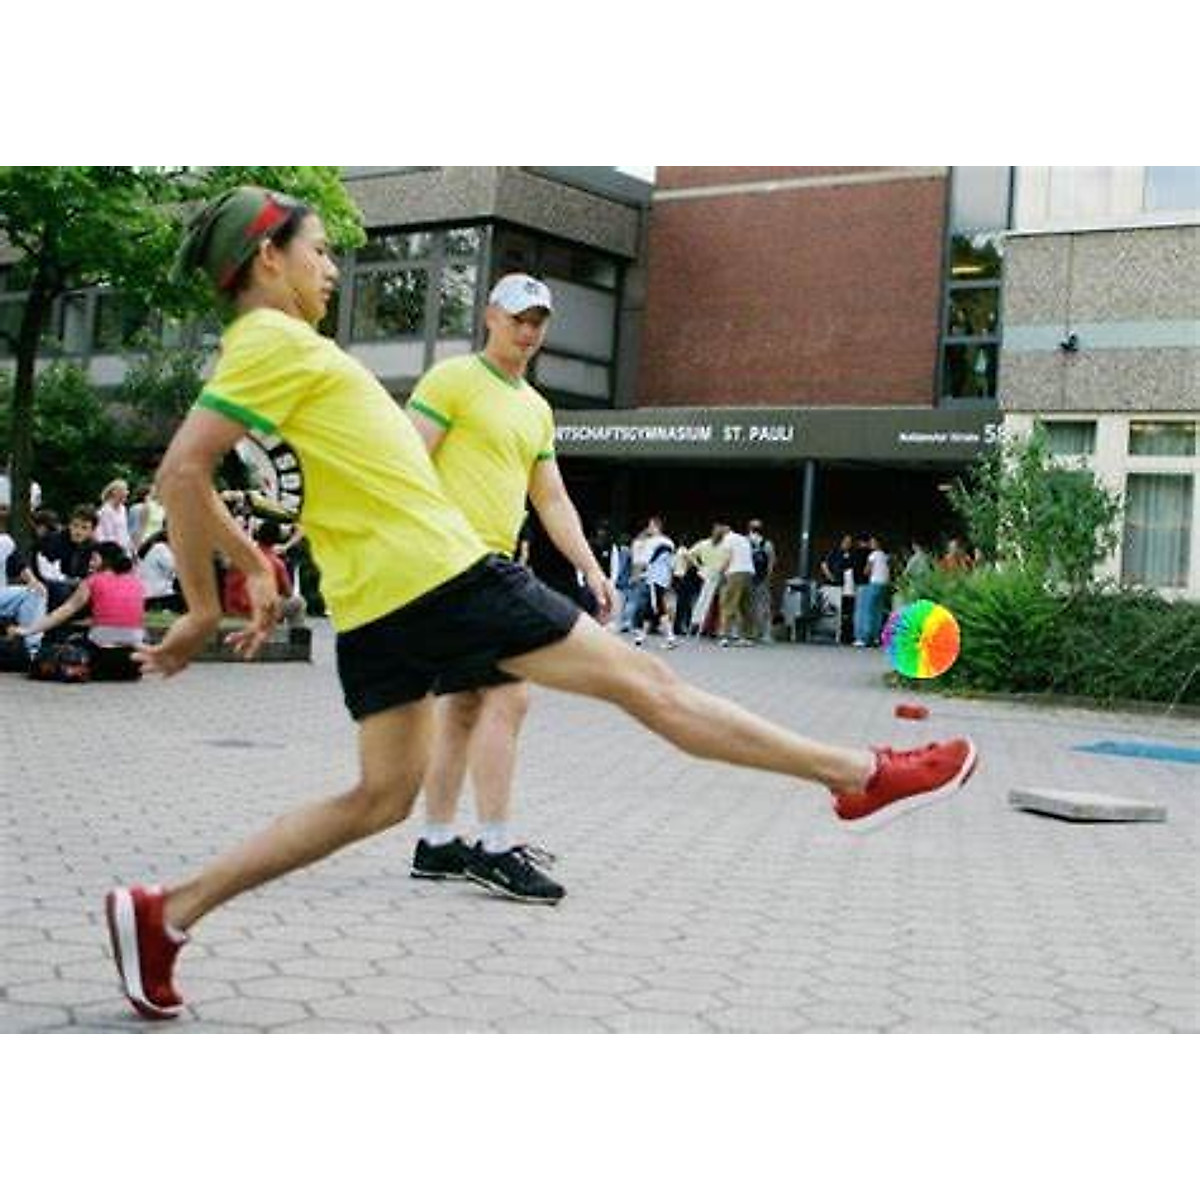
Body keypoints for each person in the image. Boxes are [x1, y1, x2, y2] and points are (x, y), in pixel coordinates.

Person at [104, 186, 977, 1021]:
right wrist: (202, 608)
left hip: (380, 605)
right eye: (321, 253)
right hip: (444, 576)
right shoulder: (277, 340)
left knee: (379, 798)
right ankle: (861, 776)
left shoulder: (270, 349)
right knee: (648, 684)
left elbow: (203, 479)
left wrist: (250, 564)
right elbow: (181, 472)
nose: (331, 269)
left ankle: (164, 914)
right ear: (269, 257)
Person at [403, 272, 613, 904]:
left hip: (490, 564)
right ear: (490, 316)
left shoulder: (535, 408)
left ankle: (437, 842)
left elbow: (550, 498)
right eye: (518, 319)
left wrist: (591, 567)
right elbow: (403, 463)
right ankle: (495, 848)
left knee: (465, 706)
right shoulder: (452, 380)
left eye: (538, 322)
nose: (528, 332)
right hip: (449, 563)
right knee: (512, 692)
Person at [15, 541, 146, 681]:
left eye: (94, 559)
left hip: (101, 656)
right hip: (132, 661)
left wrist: (28, 630)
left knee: (61, 647)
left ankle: (78, 669)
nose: (90, 563)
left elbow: (63, 611)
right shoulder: (136, 582)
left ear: (106, 560)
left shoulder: (93, 581)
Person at [222, 521, 307, 630]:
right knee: (299, 603)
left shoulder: (239, 556)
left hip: (234, 608)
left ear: (258, 535)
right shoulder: (276, 563)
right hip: (257, 612)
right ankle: (296, 637)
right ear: (276, 540)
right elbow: (288, 593)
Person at [687, 523, 729, 637]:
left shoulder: (704, 543)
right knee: (711, 602)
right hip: (717, 575)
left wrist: (699, 566)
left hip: (707, 574)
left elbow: (689, 554)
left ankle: (699, 625)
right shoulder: (724, 546)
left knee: (704, 601)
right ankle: (705, 626)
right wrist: (699, 566)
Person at [718, 523, 756, 647]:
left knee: (728, 604)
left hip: (735, 573)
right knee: (746, 606)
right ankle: (746, 637)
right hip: (749, 573)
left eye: (719, 527)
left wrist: (720, 572)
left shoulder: (728, 539)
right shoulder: (744, 539)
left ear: (726, 528)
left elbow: (728, 558)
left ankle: (725, 636)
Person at [853, 535, 890, 648]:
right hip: (884, 585)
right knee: (878, 612)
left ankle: (864, 638)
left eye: (873, 542)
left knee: (868, 611)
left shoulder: (873, 555)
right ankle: (876, 637)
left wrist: (864, 571)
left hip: (874, 583)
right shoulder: (885, 556)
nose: (870, 544)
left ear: (878, 544)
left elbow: (866, 571)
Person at [820, 534, 858, 646]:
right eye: (846, 541)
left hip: (846, 588)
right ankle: (833, 633)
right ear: (841, 542)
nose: (848, 544)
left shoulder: (851, 555)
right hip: (832, 586)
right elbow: (823, 564)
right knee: (832, 610)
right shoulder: (834, 552)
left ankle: (843, 635)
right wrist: (830, 576)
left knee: (845, 612)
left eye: (850, 542)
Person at [746, 518, 777, 644]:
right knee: (764, 607)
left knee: (748, 606)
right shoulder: (767, 544)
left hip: (748, 578)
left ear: (749, 528)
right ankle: (766, 634)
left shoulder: (744, 541)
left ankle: (749, 633)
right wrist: (768, 578)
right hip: (762, 579)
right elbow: (771, 563)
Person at [96, 479, 133, 555]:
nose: (127, 492)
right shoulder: (105, 511)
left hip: (124, 550)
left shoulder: (123, 509)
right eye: (125, 490)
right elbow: (109, 536)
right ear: (114, 492)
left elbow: (125, 531)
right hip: (112, 552)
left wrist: (131, 547)